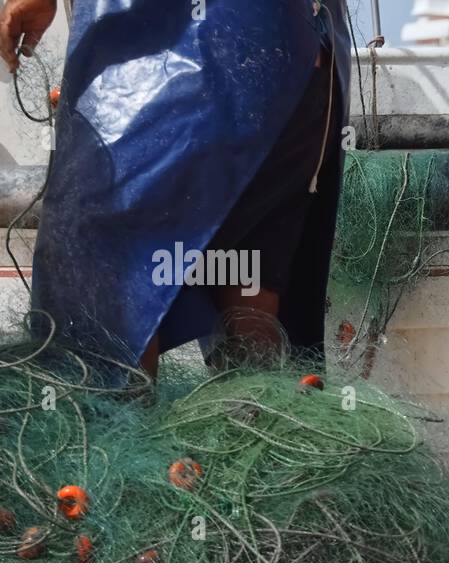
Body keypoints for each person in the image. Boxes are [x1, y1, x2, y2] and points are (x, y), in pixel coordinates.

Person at [0, 0, 352, 378]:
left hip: (197, 57)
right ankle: (261, 423)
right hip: (300, 60)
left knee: (105, 266)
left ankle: (115, 429)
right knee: (243, 272)